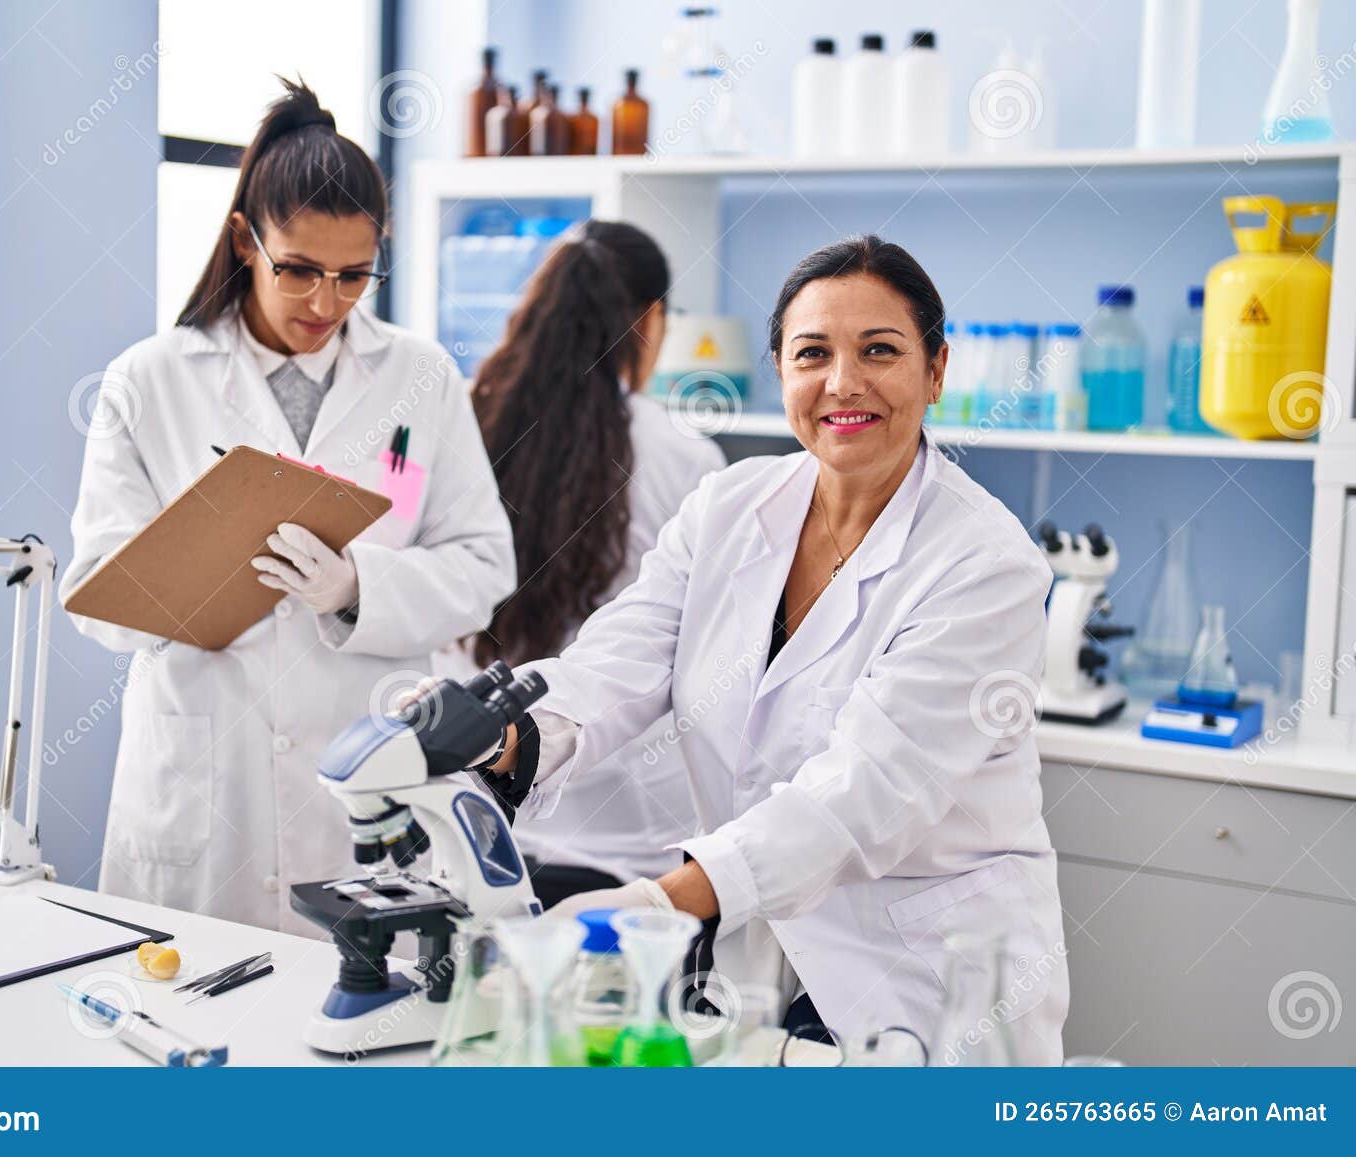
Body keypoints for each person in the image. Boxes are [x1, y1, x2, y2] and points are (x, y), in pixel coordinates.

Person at [479, 235, 1069, 1063]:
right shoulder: (730, 504)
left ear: (936, 370)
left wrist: (661, 901)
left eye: (880, 351)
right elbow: (622, 655)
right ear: (781, 370)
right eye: (813, 354)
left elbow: (866, 791)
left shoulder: (985, 564)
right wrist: (517, 734)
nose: (843, 383)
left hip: (927, 982)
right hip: (763, 967)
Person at [60, 79, 514, 936]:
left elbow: (484, 566)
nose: (325, 304)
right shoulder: (149, 380)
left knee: (359, 1033)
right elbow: (95, 588)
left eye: (354, 276)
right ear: (245, 240)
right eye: (298, 269)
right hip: (203, 771)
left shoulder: (420, 378)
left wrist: (356, 587)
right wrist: (194, 578)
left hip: (367, 765)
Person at [435, 221, 725, 908]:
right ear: (651, 320)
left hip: (480, 816)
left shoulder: (472, 424)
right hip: (631, 838)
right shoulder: (682, 456)